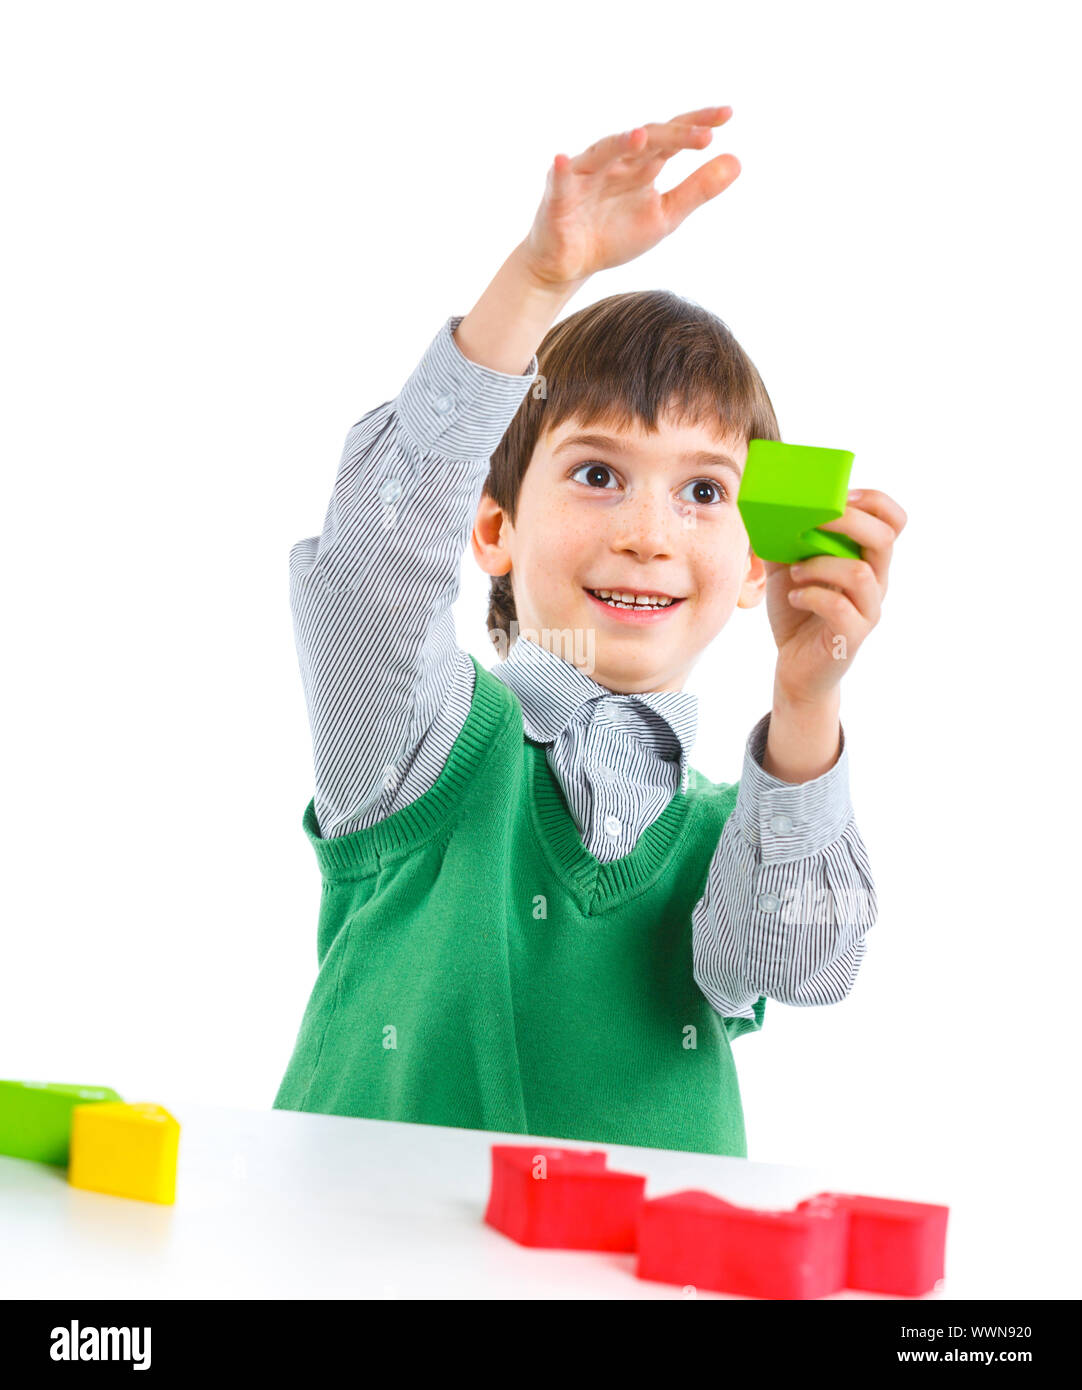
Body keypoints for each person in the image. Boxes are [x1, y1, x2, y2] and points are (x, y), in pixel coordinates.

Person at [273, 107, 906, 1156]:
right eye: (598, 474)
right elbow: (370, 571)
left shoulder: (730, 834)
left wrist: (805, 702)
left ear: (757, 563)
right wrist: (534, 281)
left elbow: (803, 964)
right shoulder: (421, 743)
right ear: (492, 526)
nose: (649, 534)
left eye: (703, 490)